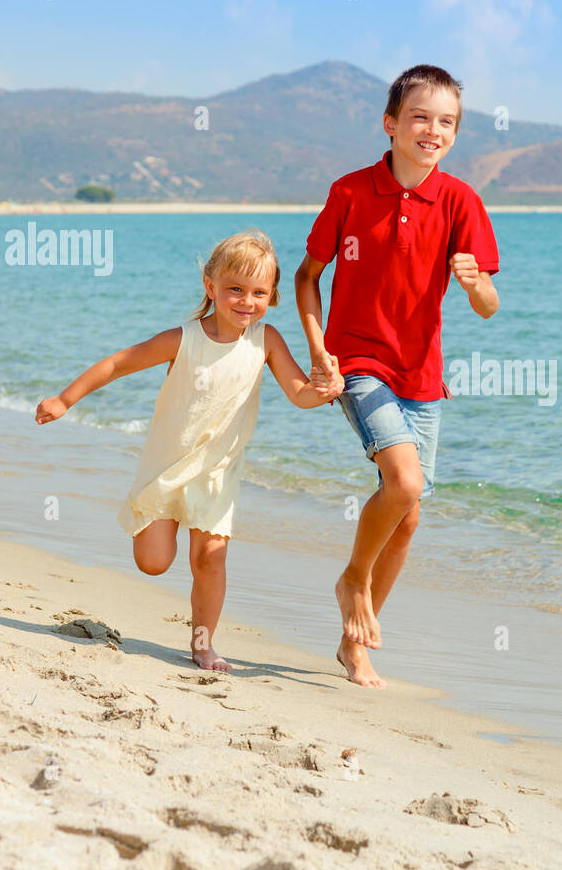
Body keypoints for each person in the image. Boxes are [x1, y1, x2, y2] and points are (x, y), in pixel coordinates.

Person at [36, 227, 340, 671]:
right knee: (154, 563)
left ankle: (203, 644)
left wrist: (328, 387)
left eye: (258, 292)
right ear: (210, 286)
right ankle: (157, 539)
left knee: (210, 561)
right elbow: (119, 362)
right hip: (166, 469)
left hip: (217, 474)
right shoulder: (182, 338)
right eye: (235, 289)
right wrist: (65, 398)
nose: (246, 301)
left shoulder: (266, 341)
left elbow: (299, 393)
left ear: (271, 296)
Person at [295, 65, 500, 688]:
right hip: (357, 362)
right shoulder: (351, 192)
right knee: (405, 483)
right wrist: (319, 352)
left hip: (422, 375)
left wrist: (476, 285)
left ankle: (354, 646)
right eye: (419, 117)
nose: (431, 129)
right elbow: (308, 277)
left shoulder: (461, 200)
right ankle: (353, 577)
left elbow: (488, 304)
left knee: (407, 514)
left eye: (446, 122)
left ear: (456, 134)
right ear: (390, 125)